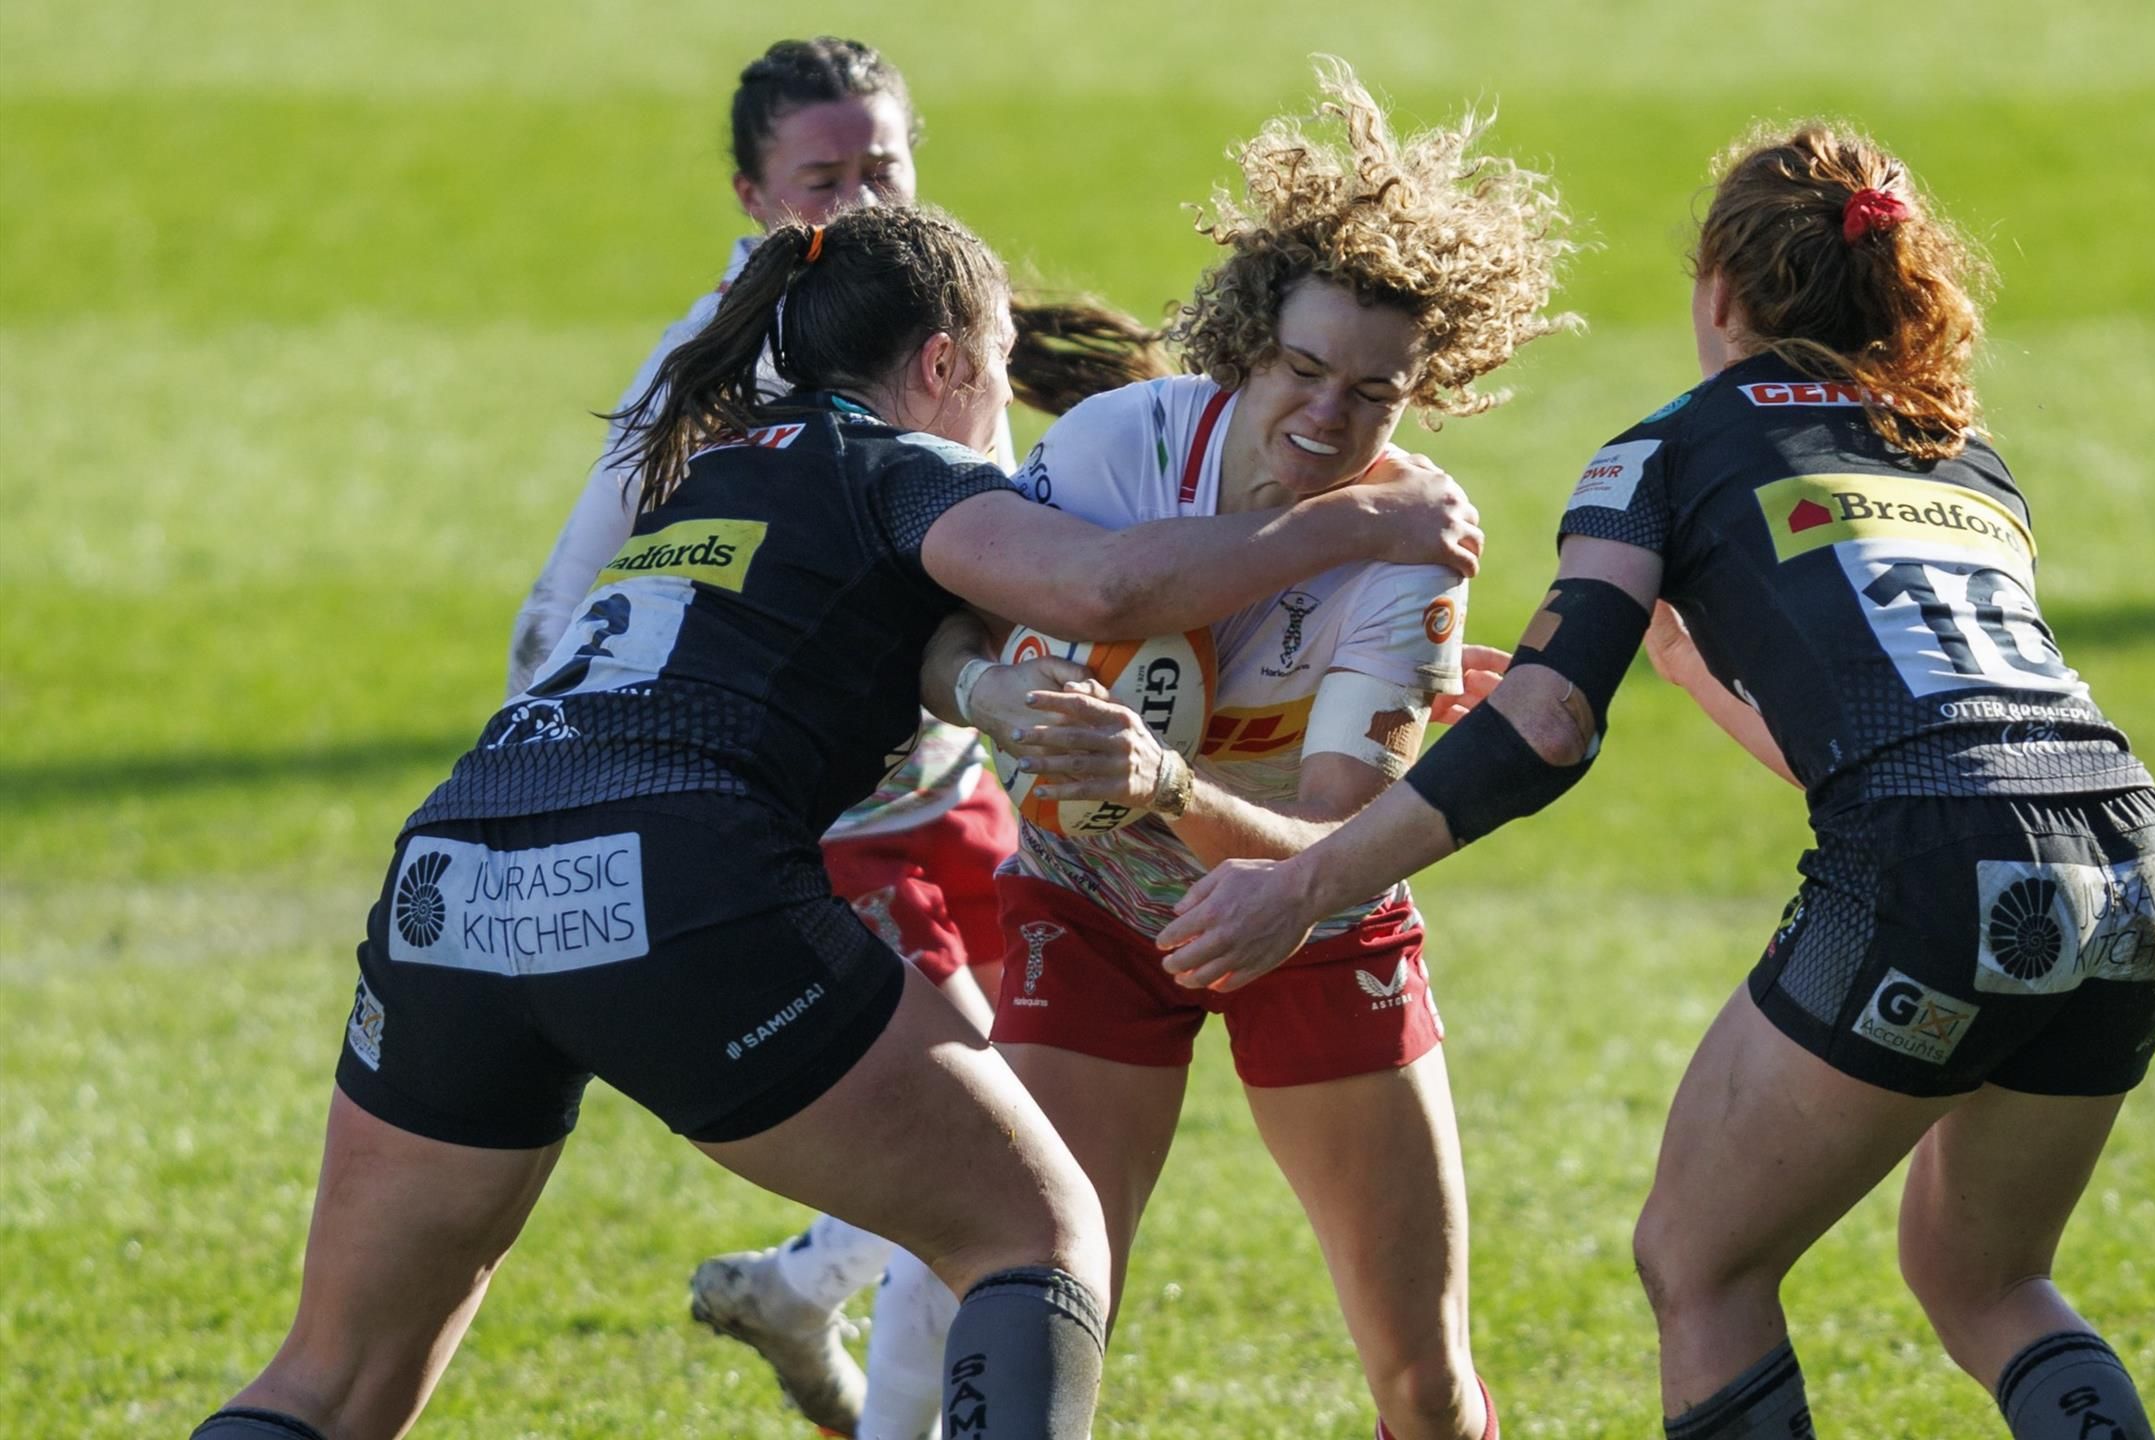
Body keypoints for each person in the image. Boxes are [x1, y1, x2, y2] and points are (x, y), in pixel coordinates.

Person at [189, 200, 1488, 1440]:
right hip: (666, 869)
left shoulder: (713, 477)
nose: (1002, 425)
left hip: (455, 878)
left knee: (334, 1383)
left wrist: (986, 686)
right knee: (1035, 1239)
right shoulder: (899, 464)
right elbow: (1107, 586)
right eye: (994, 375)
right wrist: (1371, 518)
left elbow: (870, 640)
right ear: (943, 363)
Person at [1160, 122, 2155, 1440]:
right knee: (1988, 1279)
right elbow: (1887, 720)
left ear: (1718, 287)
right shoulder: (1959, 449)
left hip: (1935, 871)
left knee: (1703, 1267)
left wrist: (1306, 884)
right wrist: (1691, 666)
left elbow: (1541, 724)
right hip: (2136, 866)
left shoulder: (1663, 452)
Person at [905, 61, 1572, 1440]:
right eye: (1305, 371)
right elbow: (937, 634)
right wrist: (983, 692)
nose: (1328, 419)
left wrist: (1160, 784)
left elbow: (1335, 848)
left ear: (1420, 394)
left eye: (1374, 394)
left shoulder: (1418, 549)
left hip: (1309, 922)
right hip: (1087, 904)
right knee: (1041, 1307)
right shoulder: (1110, 447)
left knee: (1422, 1377)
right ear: (1249, 343)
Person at [497, 38, 1156, 1432]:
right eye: (822, 177)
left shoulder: (937, 307)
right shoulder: (715, 366)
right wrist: (540, 770)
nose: (857, 198)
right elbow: (569, 593)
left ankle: (804, 1295)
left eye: (885, 166)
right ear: (752, 195)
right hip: (807, 807)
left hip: (959, 787)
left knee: (1015, 1114)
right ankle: (836, 1325)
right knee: (984, 1148)